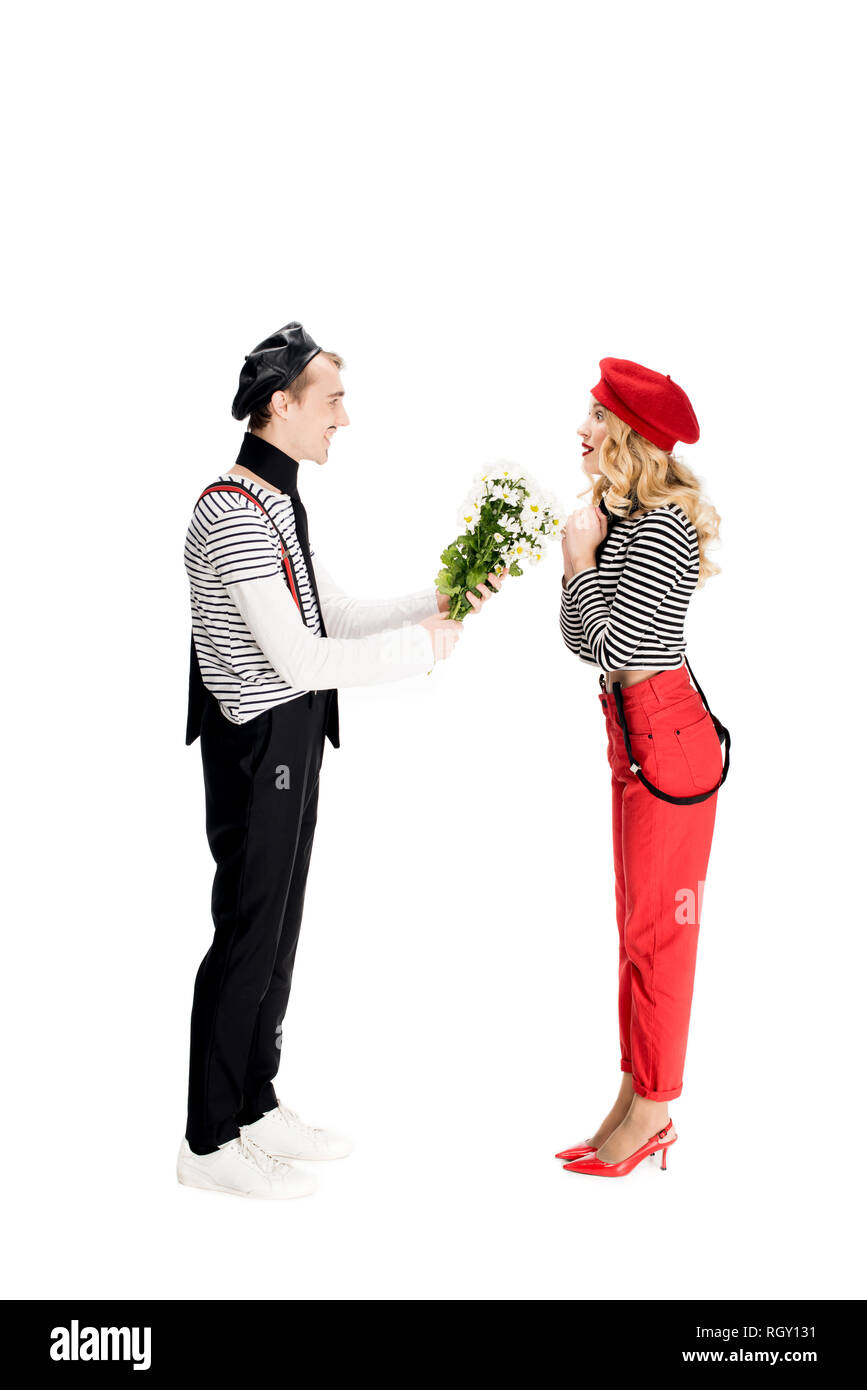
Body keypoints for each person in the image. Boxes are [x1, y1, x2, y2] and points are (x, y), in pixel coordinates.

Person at [177, 320, 505, 1199]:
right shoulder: (229, 509)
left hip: (294, 740)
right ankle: (208, 1141)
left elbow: (336, 616)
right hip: (255, 747)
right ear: (278, 405)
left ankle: (254, 1102)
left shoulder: (278, 503)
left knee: (276, 933)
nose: (344, 419)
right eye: (332, 401)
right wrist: (423, 652)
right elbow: (299, 660)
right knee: (247, 935)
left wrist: (437, 598)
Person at [556, 356, 726, 1178]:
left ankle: (654, 1109)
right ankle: (631, 1097)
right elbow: (578, 641)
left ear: (626, 432)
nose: (580, 431)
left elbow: (615, 643)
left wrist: (579, 563)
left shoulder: (656, 526)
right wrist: (581, 556)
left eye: (593, 417)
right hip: (634, 732)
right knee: (635, 930)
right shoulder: (617, 519)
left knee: (660, 934)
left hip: (666, 736)